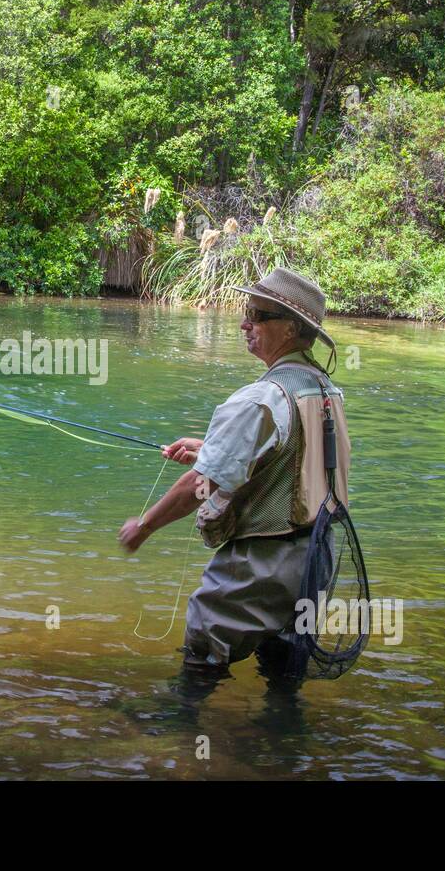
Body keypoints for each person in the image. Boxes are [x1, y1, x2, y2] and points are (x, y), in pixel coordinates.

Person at [118, 266, 352, 680]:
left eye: (258, 315)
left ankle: (179, 731)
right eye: (248, 310)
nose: (244, 322)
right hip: (317, 556)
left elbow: (198, 486)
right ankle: (277, 740)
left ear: (290, 329)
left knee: (203, 653)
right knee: (283, 667)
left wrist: (144, 526)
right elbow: (293, 461)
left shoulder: (260, 398)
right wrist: (212, 450)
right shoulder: (325, 389)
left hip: (262, 563)